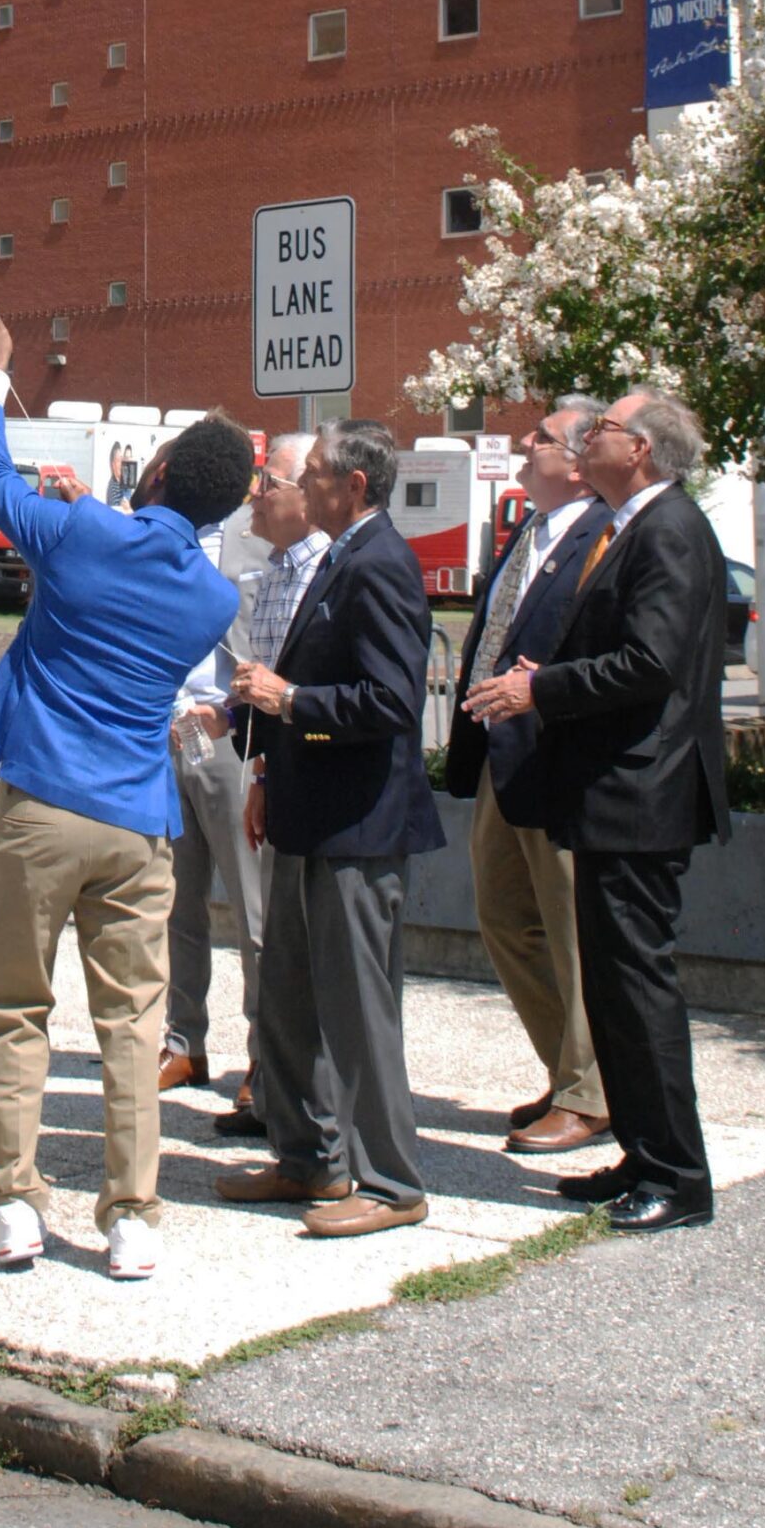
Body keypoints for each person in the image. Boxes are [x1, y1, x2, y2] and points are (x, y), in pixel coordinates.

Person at [0, 312, 251, 1280]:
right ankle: (131, 1215)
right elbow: (136, 565)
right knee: (130, 1023)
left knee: (11, 1005)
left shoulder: (81, 532)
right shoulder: (213, 597)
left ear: (152, 473)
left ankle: (13, 1201)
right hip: (135, 820)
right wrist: (97, 515)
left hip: (39, 801)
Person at [465, 388, 731, 1235]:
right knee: (612, 989)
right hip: (602, 792)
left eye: (607, 429)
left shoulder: (671, 530)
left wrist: (536, 687)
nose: (590, 441)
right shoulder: (627, 524)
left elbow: (648, 663)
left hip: (642, 797)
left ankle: (679, 1179)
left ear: (643, 450)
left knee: (638, 986)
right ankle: (641, 1154)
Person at [217, 420, 443, 1237]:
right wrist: (270, 763)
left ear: (353, 485)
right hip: (306, 816)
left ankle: (389, 1184)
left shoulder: (381, 564)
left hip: (359, 826)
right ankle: (308, 1160)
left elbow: (393, 704)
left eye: (312, 475)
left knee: (356, 1008)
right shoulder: (341, 555)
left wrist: (292, 702)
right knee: (287, 997)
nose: (298, 486)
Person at [446, 399, 611, 1154]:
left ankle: (590, 1094)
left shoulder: (601, 535)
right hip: (497, 753)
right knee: (505, 917)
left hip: (555, 756)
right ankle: (570, 1069)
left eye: (540, 438)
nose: (522, 443)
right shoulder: (529, 530)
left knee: (571, 928)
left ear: (577, 462)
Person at [164, 436, 323, 1137]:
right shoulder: (166, 527)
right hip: (172, 727)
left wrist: (256, 738)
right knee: (175, 900)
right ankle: (181, 1042)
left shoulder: (259, 531)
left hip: (232, 729)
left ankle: (264, 1059)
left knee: (255, 914)